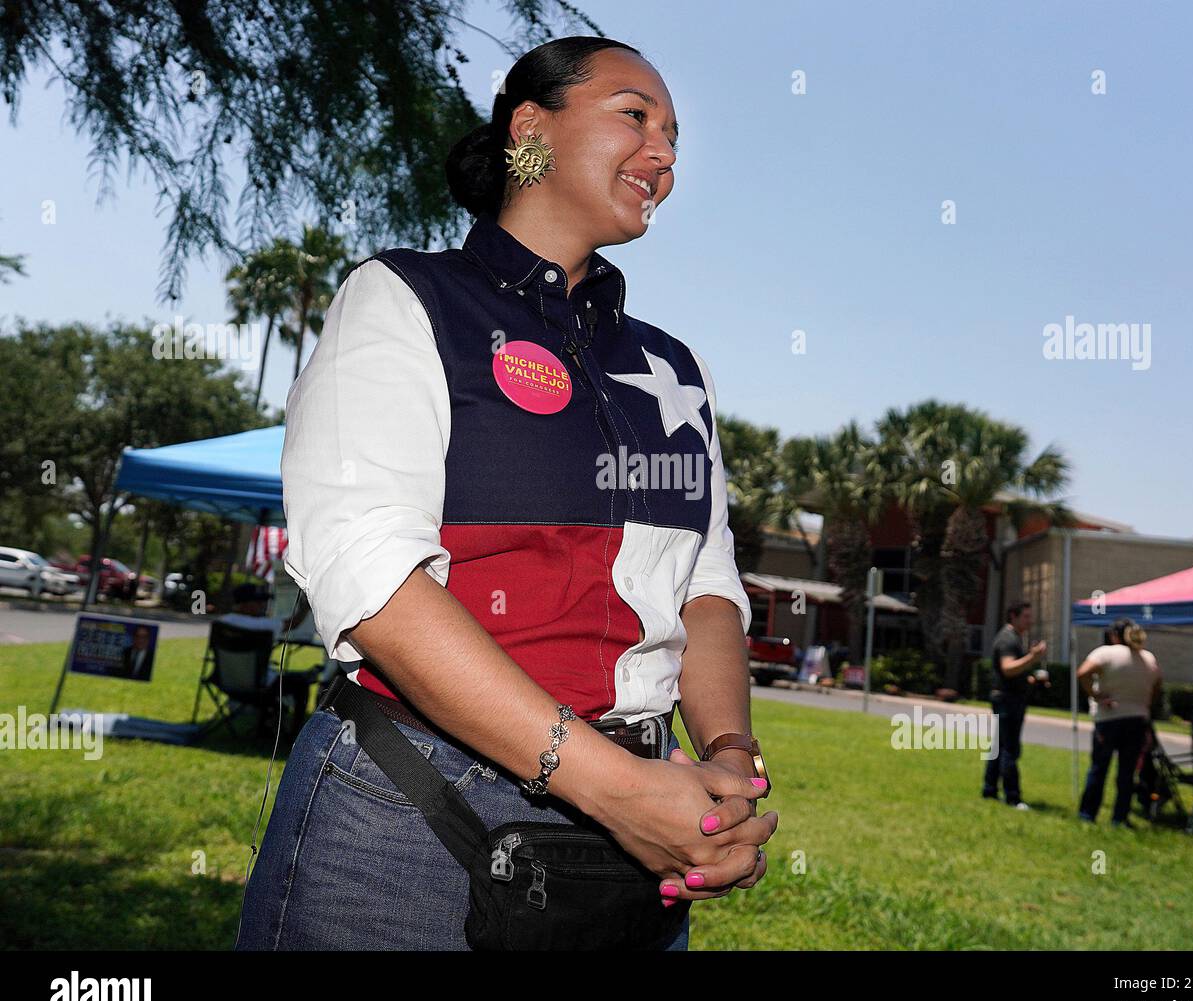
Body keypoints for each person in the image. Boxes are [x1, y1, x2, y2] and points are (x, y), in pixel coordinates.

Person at [236, 37, 778, 952]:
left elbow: (707, 586)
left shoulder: (677, 368)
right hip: (409, 814)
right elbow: (369, 574)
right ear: (530, 127)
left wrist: (728, 765)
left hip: (636, 838)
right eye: (634, 115)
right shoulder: (404, 297)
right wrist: (615, 787)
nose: (666, 156)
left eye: (676, 137)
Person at [1076, 619, 1161, 826]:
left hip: (1110, 717)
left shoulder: (1105, 653)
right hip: (1138, 719)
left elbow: (1083, 673)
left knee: (1099, 767)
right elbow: (1158, 682)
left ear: (1115, 635)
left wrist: (1095, 695)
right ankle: (1120, 817)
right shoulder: (1148, 657)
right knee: (1127, 771)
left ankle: (1088, 814)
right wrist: (1145, 703)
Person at [215, 582, 318, 735]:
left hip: (224, 680)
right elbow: (293, 624)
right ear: (244, 604)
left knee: (280, 680)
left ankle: (266, 723)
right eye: (259, 602)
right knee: (301, 683)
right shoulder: (261, 625)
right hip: (259, 686)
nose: (264, 605)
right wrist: (305, 607)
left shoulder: (221, 622)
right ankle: (295, 734)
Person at [982, 601, 1046, 809]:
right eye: (1026, 616)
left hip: (1008, 697)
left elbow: (1010, 674)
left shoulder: (1014, 638)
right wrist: (1033, 657)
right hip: (1008, 700)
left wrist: (1030, 680)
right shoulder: (1008, 639)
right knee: (1010, 748)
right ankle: (1013, 796)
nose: (1030, 620)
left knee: (999, 747)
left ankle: (990, 789)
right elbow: (1008, 668)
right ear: (1013, 616)